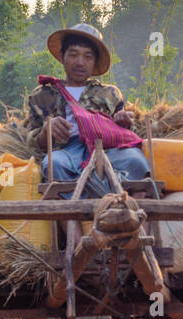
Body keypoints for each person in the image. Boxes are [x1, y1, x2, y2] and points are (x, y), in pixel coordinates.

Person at [23, 23, 152, 198]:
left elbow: (130, 134)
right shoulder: (43, 95)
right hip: (67, 152)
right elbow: (31, 141)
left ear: (95, 61)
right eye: (73, 54)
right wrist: (47, 130)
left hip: (107, 150)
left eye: (88, 56)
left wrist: (123, 122)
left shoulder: (110, 93)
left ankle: (132, 213)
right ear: (62, 56)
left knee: (136, 160)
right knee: (53, 165)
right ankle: (73, 223)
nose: (80, 62)